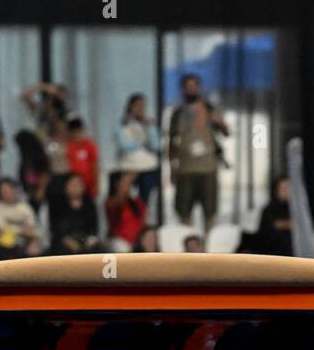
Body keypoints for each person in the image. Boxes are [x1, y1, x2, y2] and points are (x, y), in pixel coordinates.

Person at [168, 74, 229, 229]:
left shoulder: (209, 108)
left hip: (208, 168)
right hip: (186, 169)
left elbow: (226, 132)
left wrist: (218, 121)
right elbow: (172, 142)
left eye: (194, 86)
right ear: (183, 89)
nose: (191, 90)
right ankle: (187, 248)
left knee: (210, 213)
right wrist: (172, 167)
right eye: (188, 87)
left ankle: (209, 247)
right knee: (184, 213)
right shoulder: (178, 113)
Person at [115, 93, 161, 211]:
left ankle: (143, 224)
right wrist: (141, 142)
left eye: (143, 106)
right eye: (137, 106)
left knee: (144, 202)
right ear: (130, 106)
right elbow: (124, 145)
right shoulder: (123, 124)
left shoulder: (149, 124)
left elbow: (156, 145)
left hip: (148, 168)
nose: (140, 109)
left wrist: (148, 128)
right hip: (129, 168)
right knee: (126, 200)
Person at [0, 177, 42, 258]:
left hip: (23, 245)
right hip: (1, 245)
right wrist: (21, 230)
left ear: (15, 190)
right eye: (2, 191)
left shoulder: (25, 207)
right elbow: (1, 227)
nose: (5, 193)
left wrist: (29, 234)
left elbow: (32, 227)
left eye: (8, 190)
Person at [239, 177, 293, 256]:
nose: (285, 191)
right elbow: (268, 229)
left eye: (288, 188)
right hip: (270, 245)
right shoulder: (270, 208)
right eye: (283, 188)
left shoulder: (296, 210)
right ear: (276, 190)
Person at [49, 173, 100, 256]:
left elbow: (93, 228)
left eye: (78, 184)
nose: (75, 187)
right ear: (66, 188)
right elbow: (56, 229)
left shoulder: (89, 205)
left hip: (85, 240)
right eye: (72, 185)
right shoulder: (59, 205)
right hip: (65, 241)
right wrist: (68, 241)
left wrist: (90, 240)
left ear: (83, 187)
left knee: (96, 249)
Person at [105, 172, 147, 250]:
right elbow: (117, 202)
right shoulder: (110, 201)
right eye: (124, 182)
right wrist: (123, 188)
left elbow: (144, 222)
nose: (127, 185)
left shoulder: (136, 202)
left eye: (129, 183)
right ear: (117, 184)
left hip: (137, 241)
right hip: (119, 241)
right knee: (122, 247)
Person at [65, 117, 99, 198]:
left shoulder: (90, 145)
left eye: (79, 132)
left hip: (88, 186)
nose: (77, 135)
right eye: (74, 133)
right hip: (73, 187)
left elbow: (95, 166)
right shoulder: (69, 147)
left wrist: (96, 186)